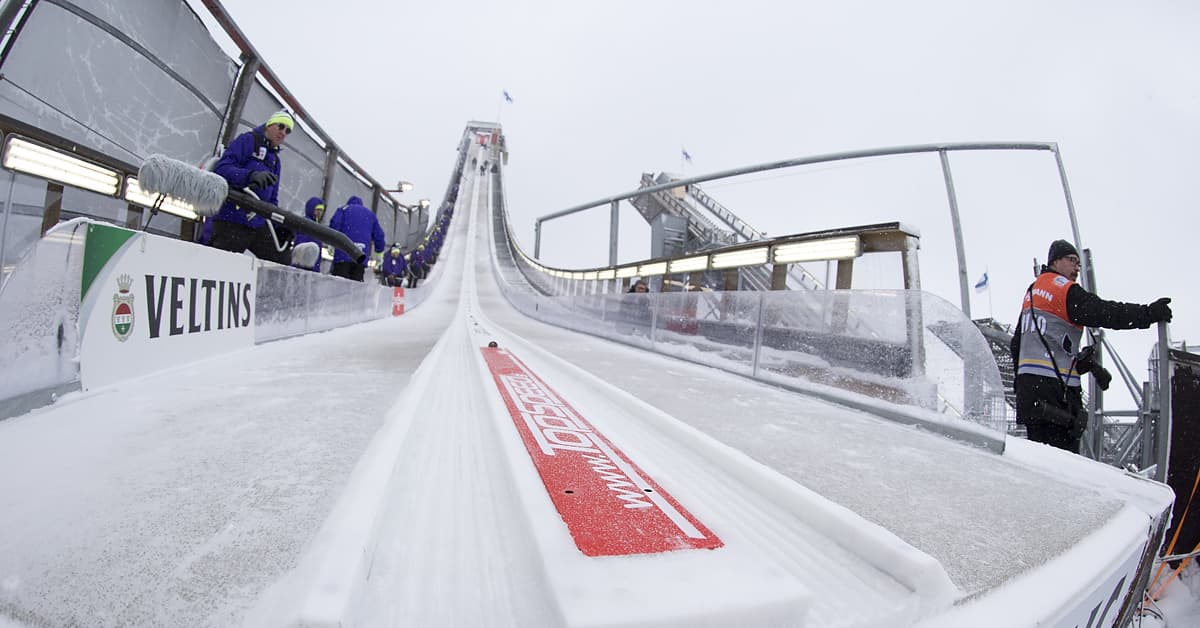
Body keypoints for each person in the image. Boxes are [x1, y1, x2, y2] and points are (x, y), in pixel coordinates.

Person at [1011, 239, 1172, 452]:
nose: (1077, 267)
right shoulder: (1064, 290)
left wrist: (1081, 365)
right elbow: (1107, 312)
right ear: (1055, 261)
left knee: (1041, 462)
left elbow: (1018, 345)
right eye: (1071, 260)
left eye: (1078, 262)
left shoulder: (1033, 292)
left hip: (1032, 396)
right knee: (1062, 468)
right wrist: (1147, 314)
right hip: (1055, 399)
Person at [208, 110, 294, 263]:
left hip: (257, 222)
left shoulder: (275, 161)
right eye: (281, 126)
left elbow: (272, 200)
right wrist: (250, 176)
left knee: (281, 259)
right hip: (233, 217)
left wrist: (277, 226)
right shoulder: (248, 141)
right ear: (270, 125)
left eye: (287, 131)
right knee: (223, 263)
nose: (283, 132)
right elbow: (222, 168)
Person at [328, 196, 386, 282]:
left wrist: (331, 243)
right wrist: (379, 252)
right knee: (356, 285)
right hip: (360, 256)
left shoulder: (343, 209)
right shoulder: (370, 214)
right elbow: (379, 235)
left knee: (339, 284)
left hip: (343, 253)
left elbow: (335, 225)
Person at [291, 197, 326, 272]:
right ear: (311, 209)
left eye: (321, 211)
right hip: (304, 267)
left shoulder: (315, 226)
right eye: (317, 210)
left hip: (310, 266)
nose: (320, 213)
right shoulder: (305, 225)